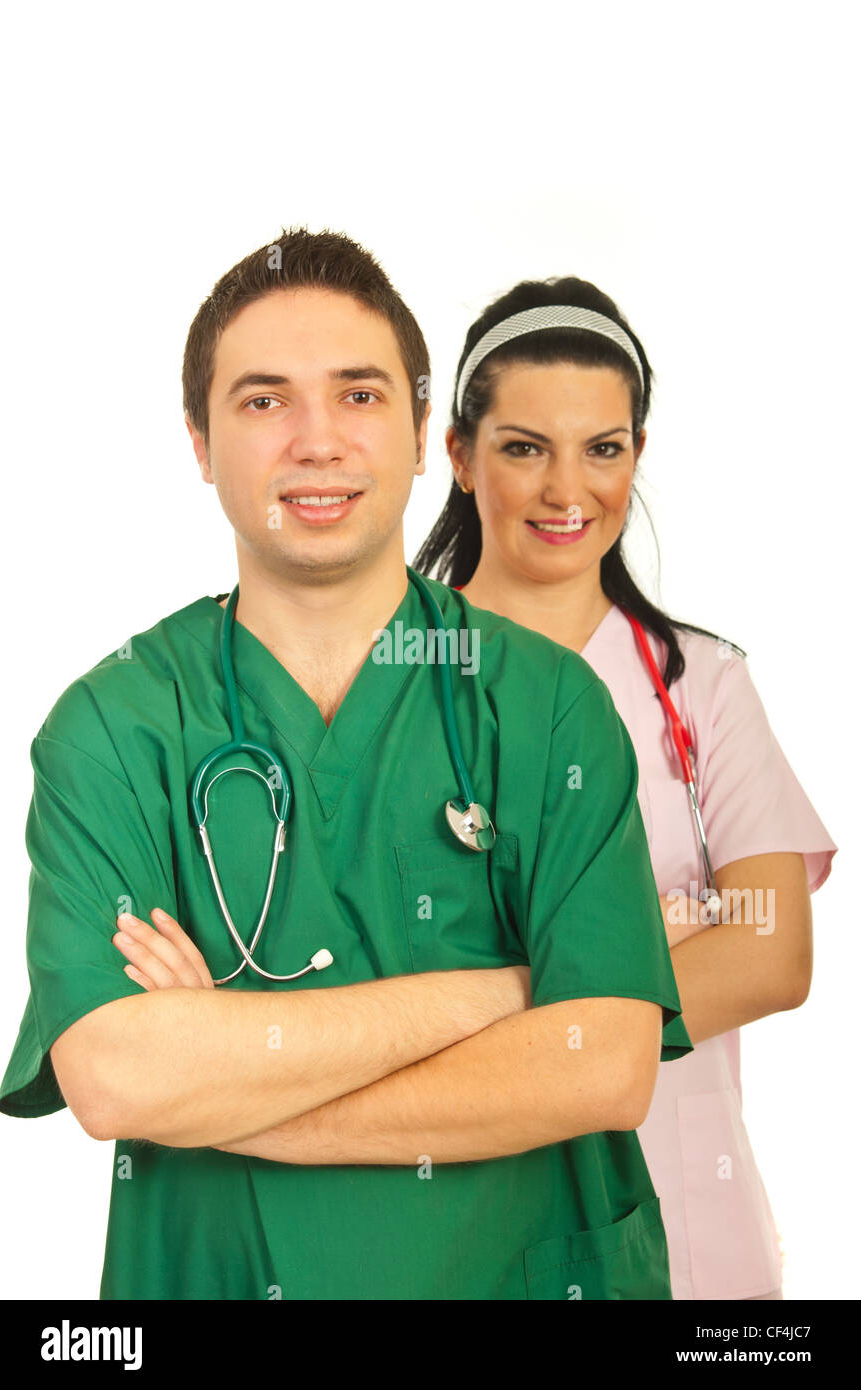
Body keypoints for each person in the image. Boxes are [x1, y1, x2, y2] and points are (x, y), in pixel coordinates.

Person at [0, 229, 692, 1301]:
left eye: (360, 397)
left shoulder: (549, 710)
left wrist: (229, 1080)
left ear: (422, 436)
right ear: (199, 440)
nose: (317, 441)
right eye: (264, 401)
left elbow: (602, 1062)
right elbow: (118, 1076)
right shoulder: (114, 725)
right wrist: (501, 996)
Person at [414, 276, 837, 1301]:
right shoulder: (388, 683)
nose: (569, 490)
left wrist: (492, 991)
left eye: (603, 447)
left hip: (689, 1226)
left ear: (636, 455)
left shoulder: (703, 685)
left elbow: (774, 952)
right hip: (450, 1214)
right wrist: (663, 930)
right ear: (462, 456)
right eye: (524, 447)